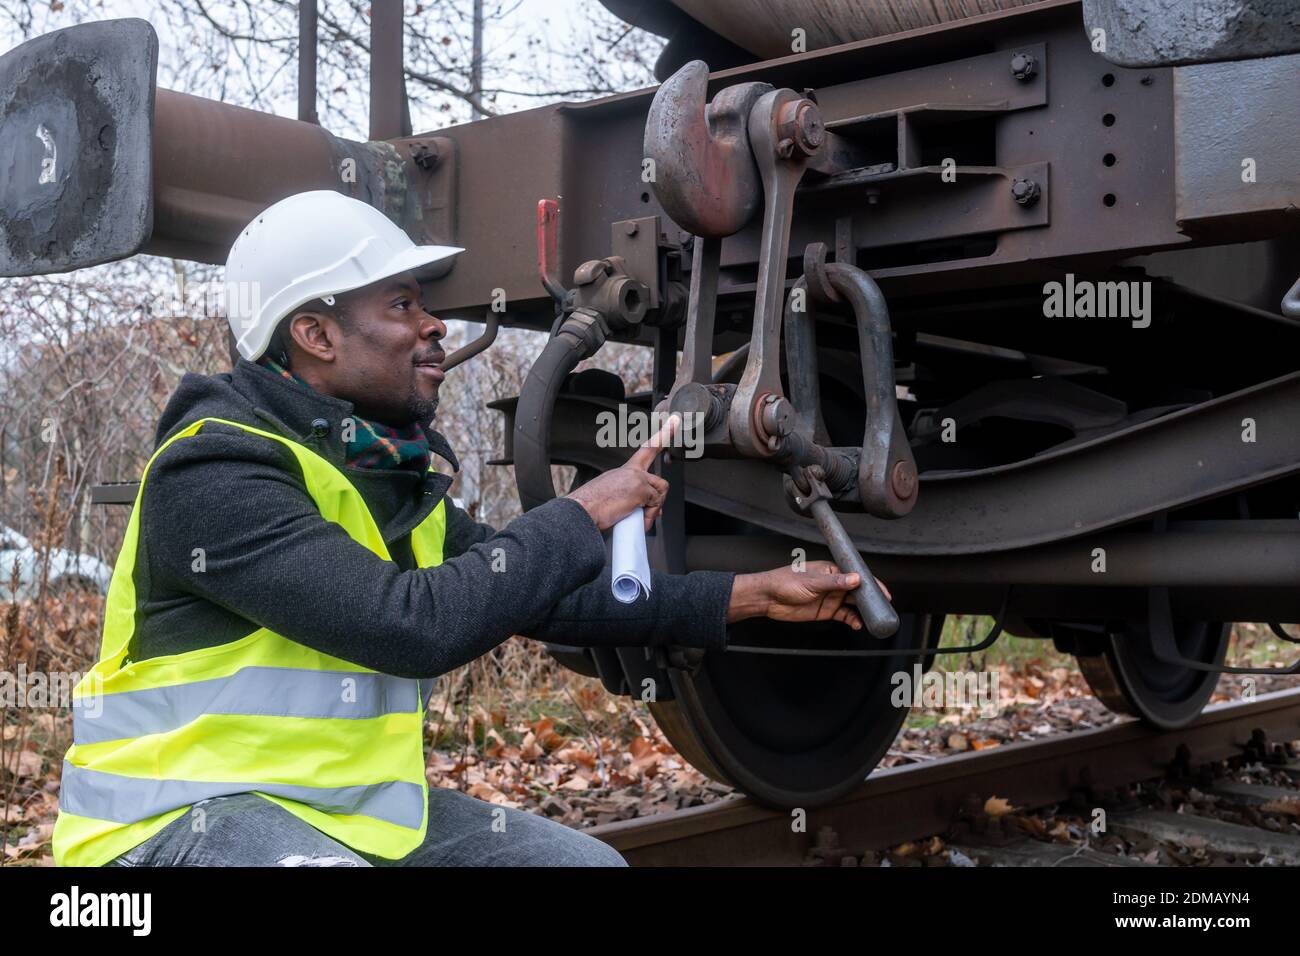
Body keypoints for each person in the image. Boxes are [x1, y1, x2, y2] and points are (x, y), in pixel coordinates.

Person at [52, 191, 882, 867]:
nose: (435, 324)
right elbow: (411, 625)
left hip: (342, 821)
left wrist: (745, 597)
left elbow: (538, 597)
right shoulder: (215, 472)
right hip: (168, 830)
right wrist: (581, 513)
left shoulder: (380, 475)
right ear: (314, 333)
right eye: (402, 303)